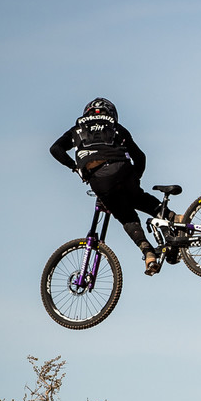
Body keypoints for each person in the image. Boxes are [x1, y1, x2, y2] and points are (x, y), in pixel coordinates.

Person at [49, 98, 176, 275]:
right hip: (123, 168)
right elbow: (140, 157)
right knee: (137, 198)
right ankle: (176, 220)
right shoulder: (116, 127)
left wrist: (75, 167)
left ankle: (148, 254)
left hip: (99, 178)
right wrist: (134, 181)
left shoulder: (76, 129)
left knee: (126, 216)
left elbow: (55, 149)